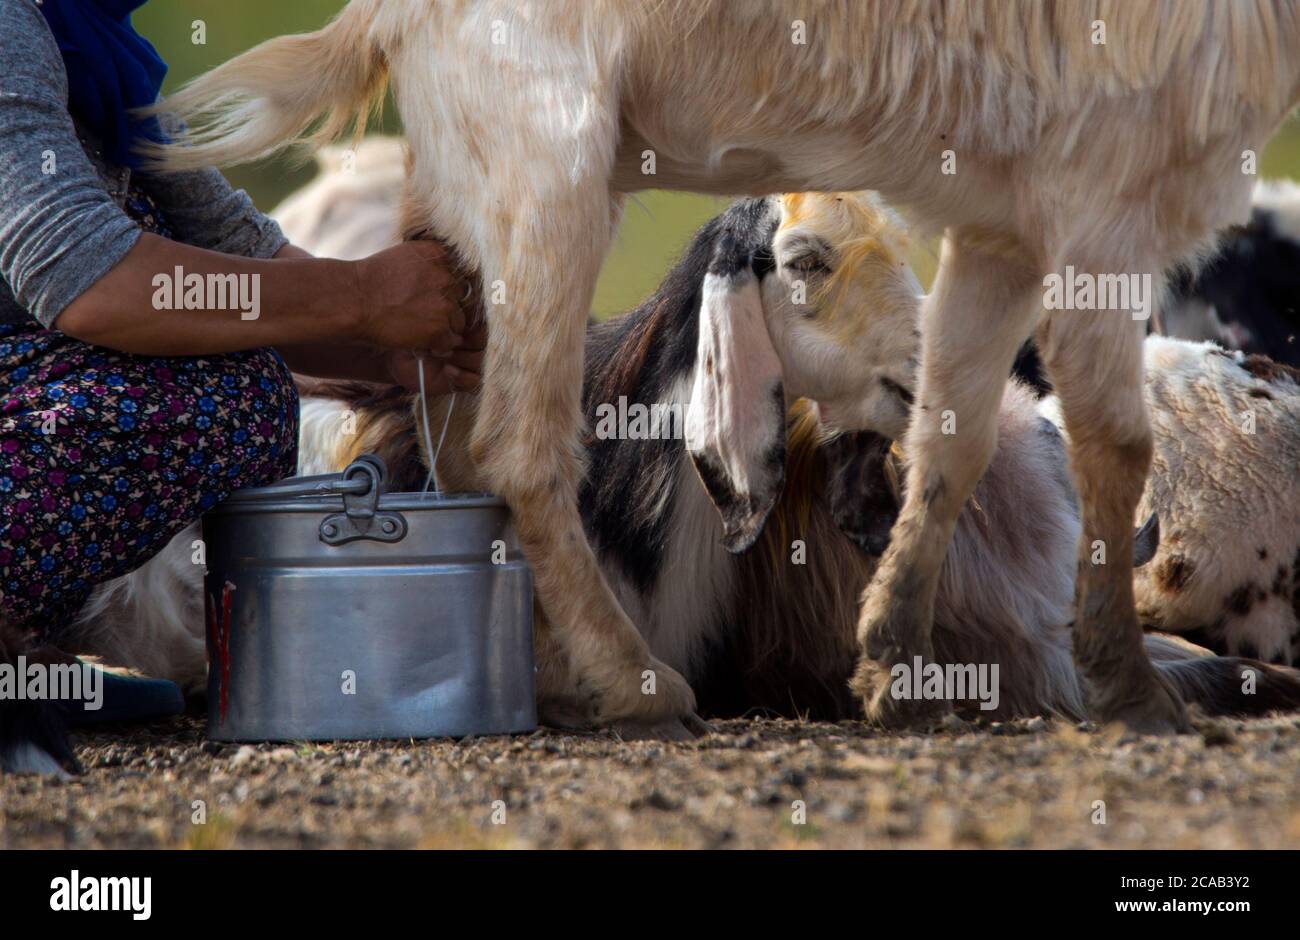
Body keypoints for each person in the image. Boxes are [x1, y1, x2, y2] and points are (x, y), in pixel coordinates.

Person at [0, 1, 482, 656]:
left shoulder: (87, 46)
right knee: (221, 401)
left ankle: (28, 650)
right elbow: (92, 281)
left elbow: (239, 259)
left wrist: (399, 350)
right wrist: (367, 294)